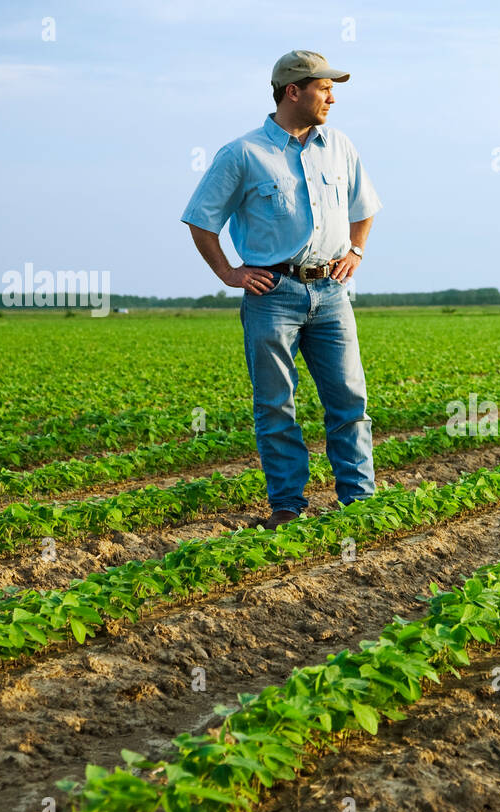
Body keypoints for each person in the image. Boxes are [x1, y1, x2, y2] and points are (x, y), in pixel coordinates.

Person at [181, 50, 382, 530]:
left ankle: (360, 505)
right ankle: (288, 508)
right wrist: (230, 273)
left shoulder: (340, 146)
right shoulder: (243, 154)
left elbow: (365, 204)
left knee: (350, 401)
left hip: (331, 293)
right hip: (272, 295)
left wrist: (356, 251)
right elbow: (201, 220)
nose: (332, 96)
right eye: (324, 87)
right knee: (276, 406)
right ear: (293, 90)